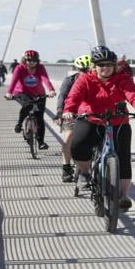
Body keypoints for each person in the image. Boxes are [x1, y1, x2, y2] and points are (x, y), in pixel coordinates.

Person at [63, 44, 135, 210]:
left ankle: (124, 196)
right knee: (78, 144)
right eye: (101, 65)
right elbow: (74, 96)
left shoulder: (122, 78)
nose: (105, 68)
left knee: (124, 157)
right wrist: (69, 110)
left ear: (115, 65)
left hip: (118, 120)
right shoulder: (85, 79)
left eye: (109, 64)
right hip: (91, 118)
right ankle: (84, 172)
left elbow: (133, 94)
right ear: (94, 66)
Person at [5, 49, 56, 148]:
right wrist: (9, 93)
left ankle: (41, 142)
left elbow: (45, 79)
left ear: (37, 60)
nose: (32, 62)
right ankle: (19, 124)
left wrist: (51, 90)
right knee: (28, 105)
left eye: (34, 60)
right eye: (29, 60)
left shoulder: (40, 67)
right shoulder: (19, 68)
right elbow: (14, 81)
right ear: (24, 60)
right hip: (21, 92)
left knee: (39, 118)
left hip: (38, 94)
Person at [54, 54, 93, 182]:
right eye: (83, 70)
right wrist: (60, 112)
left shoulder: (96, 80)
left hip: (91, 114)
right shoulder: (70, 81)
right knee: (69, 137)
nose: (86, 72)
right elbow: (62, 96)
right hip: (71, 113)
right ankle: (66, 168)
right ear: (78, 69)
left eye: (89, 69)